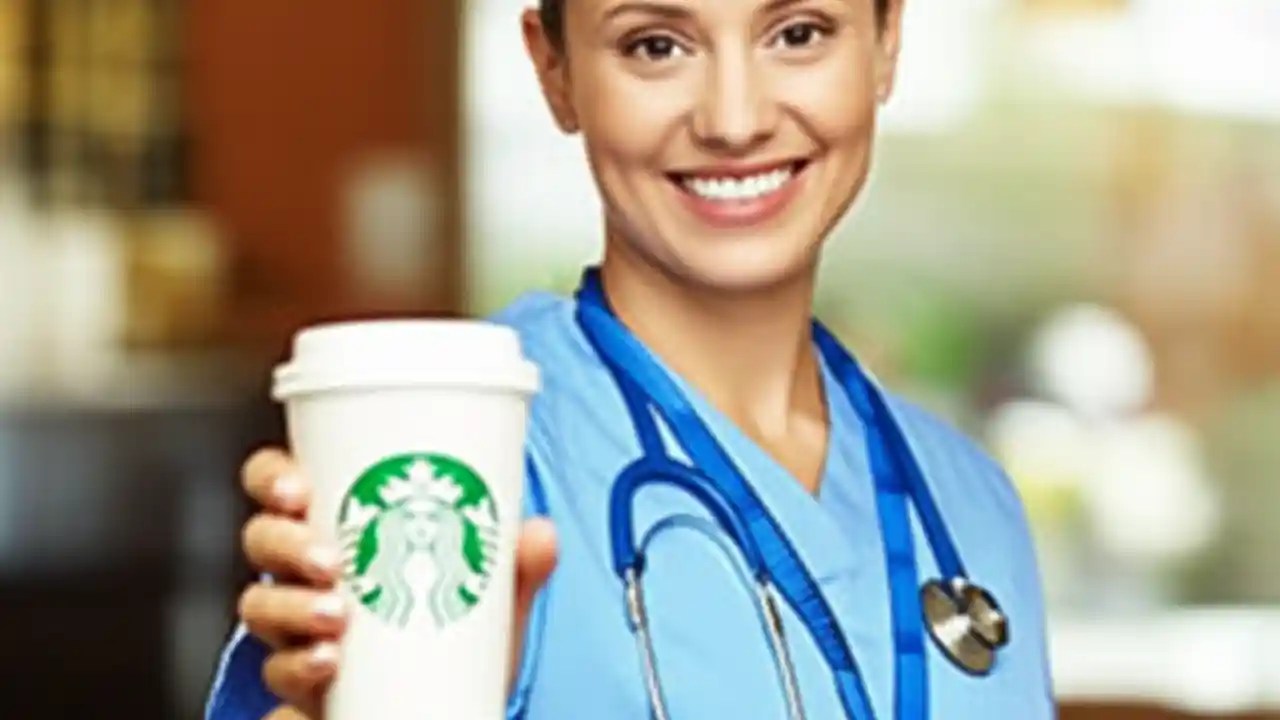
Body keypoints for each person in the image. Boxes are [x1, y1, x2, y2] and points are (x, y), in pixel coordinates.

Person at [205, 0, 1056, 716]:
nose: (735, 119)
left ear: (887, 43)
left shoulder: (968, 504)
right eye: (657, 45)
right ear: (555, 71)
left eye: (797, 33)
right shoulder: (464, 458)